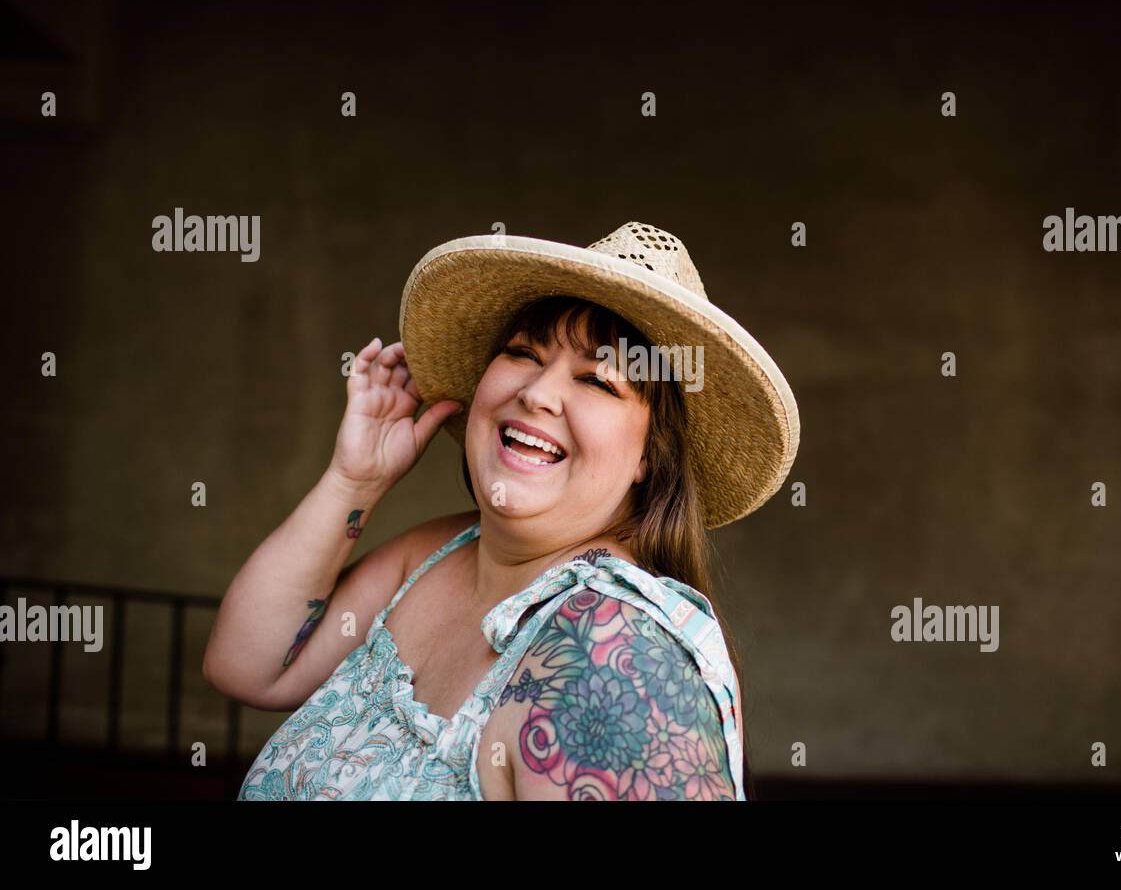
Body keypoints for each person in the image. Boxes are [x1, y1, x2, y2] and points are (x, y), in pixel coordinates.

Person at [204, 221, 800, 800]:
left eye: (597, 382)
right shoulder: (435, 554)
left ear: (650, 455)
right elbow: (250, 667)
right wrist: (354, 481)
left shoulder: (612, 656)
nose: (537, 393)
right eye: (524, 353)